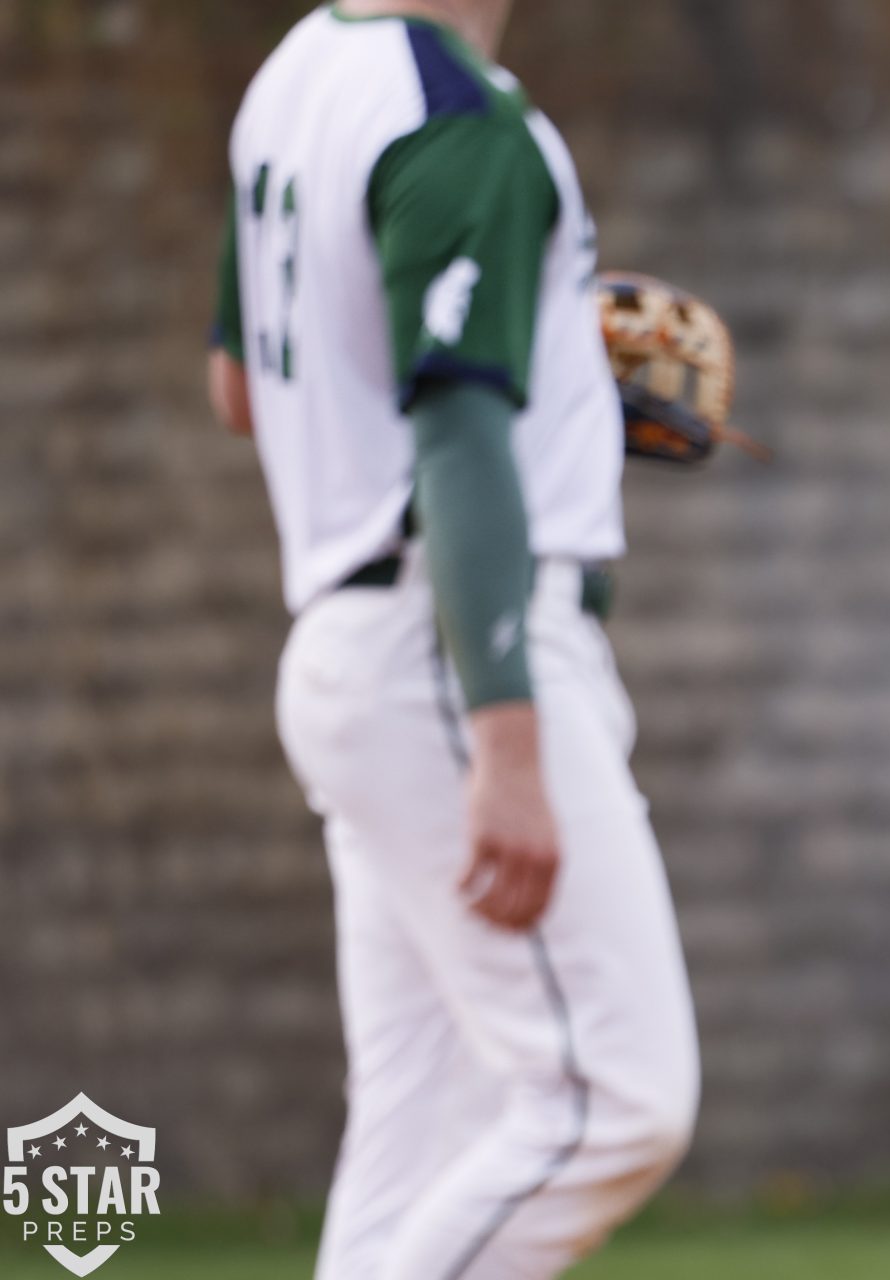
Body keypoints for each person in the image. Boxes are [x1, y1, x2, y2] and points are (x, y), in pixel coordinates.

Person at [208, 3, 698, 1274]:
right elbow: (458, 437)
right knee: (616, 1102)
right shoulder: (462, 116)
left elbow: (239, 386)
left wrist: (559, 385)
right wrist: (509, 743)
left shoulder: (296, 73)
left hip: (356, 645)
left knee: (420, 1132)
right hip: (455, 650)